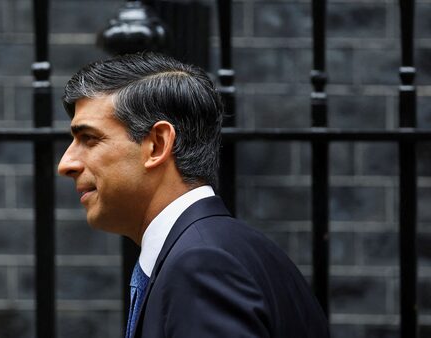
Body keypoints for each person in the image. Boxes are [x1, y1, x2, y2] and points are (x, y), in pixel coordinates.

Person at [57, 53, 329, 338]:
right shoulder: (224, 249)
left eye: (89, 139)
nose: (66, 164)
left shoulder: (201, 265)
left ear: (157, 145)